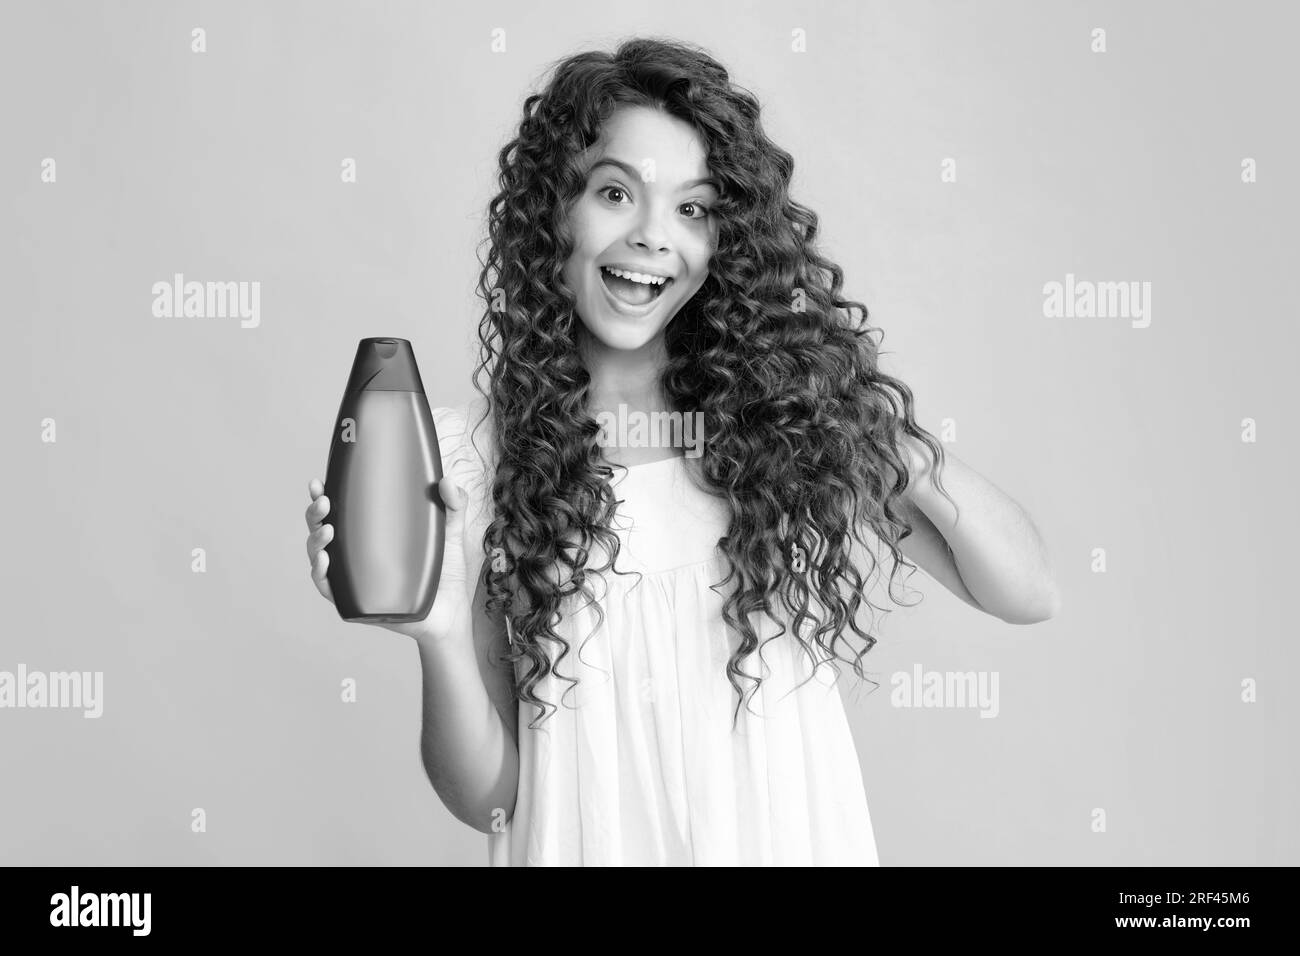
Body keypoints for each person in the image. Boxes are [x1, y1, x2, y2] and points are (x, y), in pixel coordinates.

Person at [304, 37, 1060, 866]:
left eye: (692, 208)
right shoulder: (472, 462)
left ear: (726, 243)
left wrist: (865, 418)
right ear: (555, 208)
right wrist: (439, 633)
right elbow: (492, 806)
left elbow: (1025, 592)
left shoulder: (781, 431)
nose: (653, 237)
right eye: (616, 193)